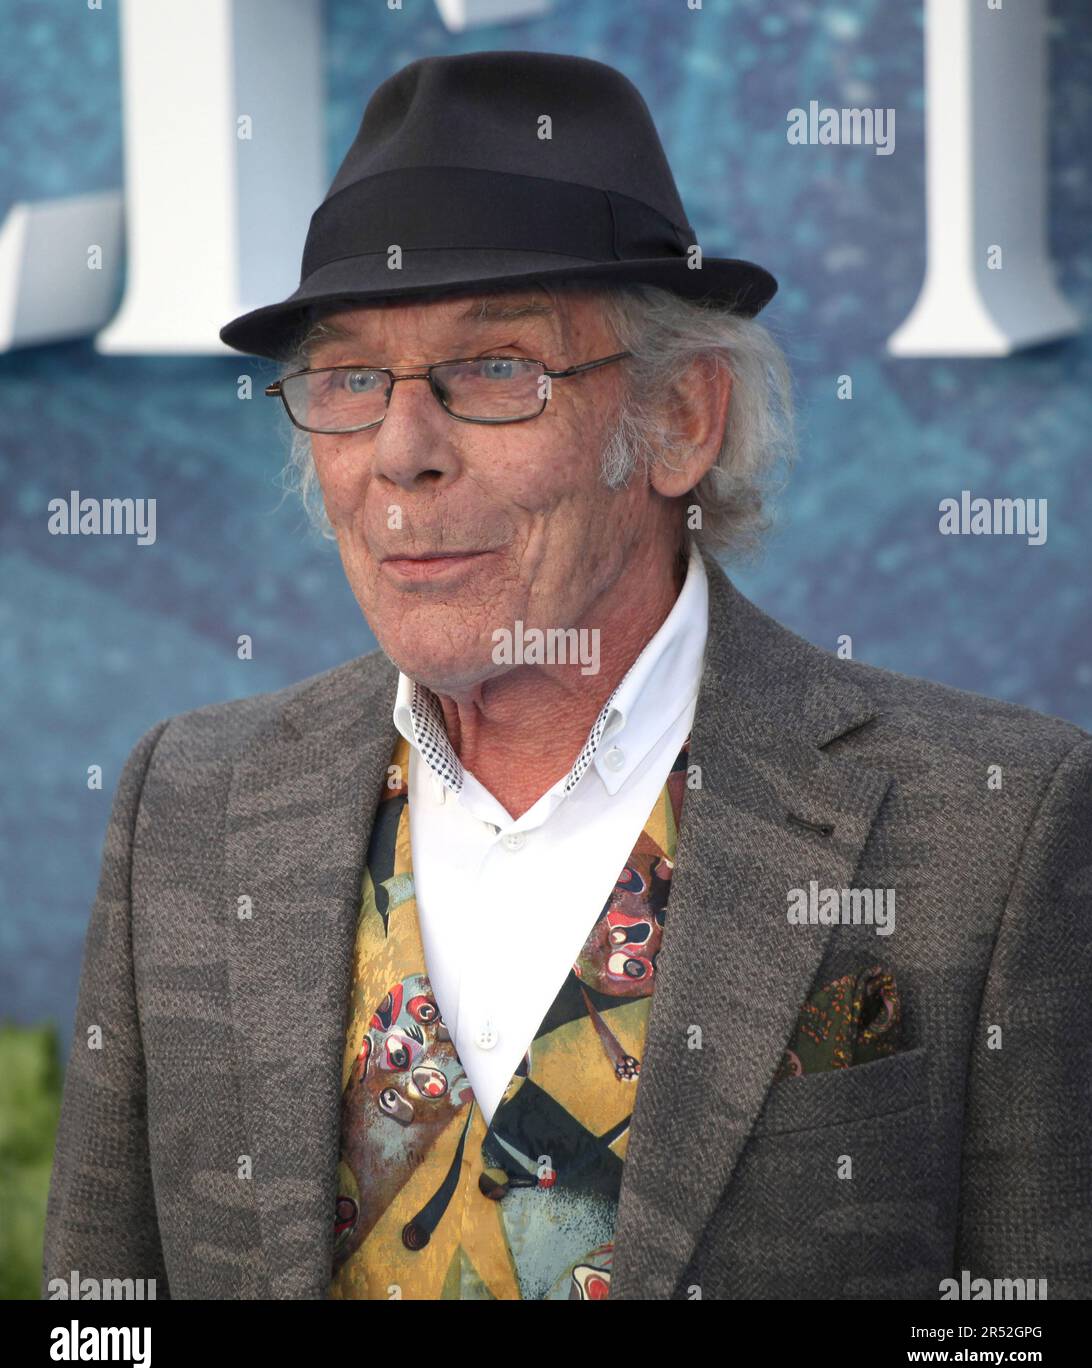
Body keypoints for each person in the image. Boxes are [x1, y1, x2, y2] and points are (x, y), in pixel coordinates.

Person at [43, 50, 1090, 1302]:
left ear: (682, 422)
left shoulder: (992, 826)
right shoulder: (188, 807)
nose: (402, 452)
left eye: (495, 369)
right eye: (352, 380)